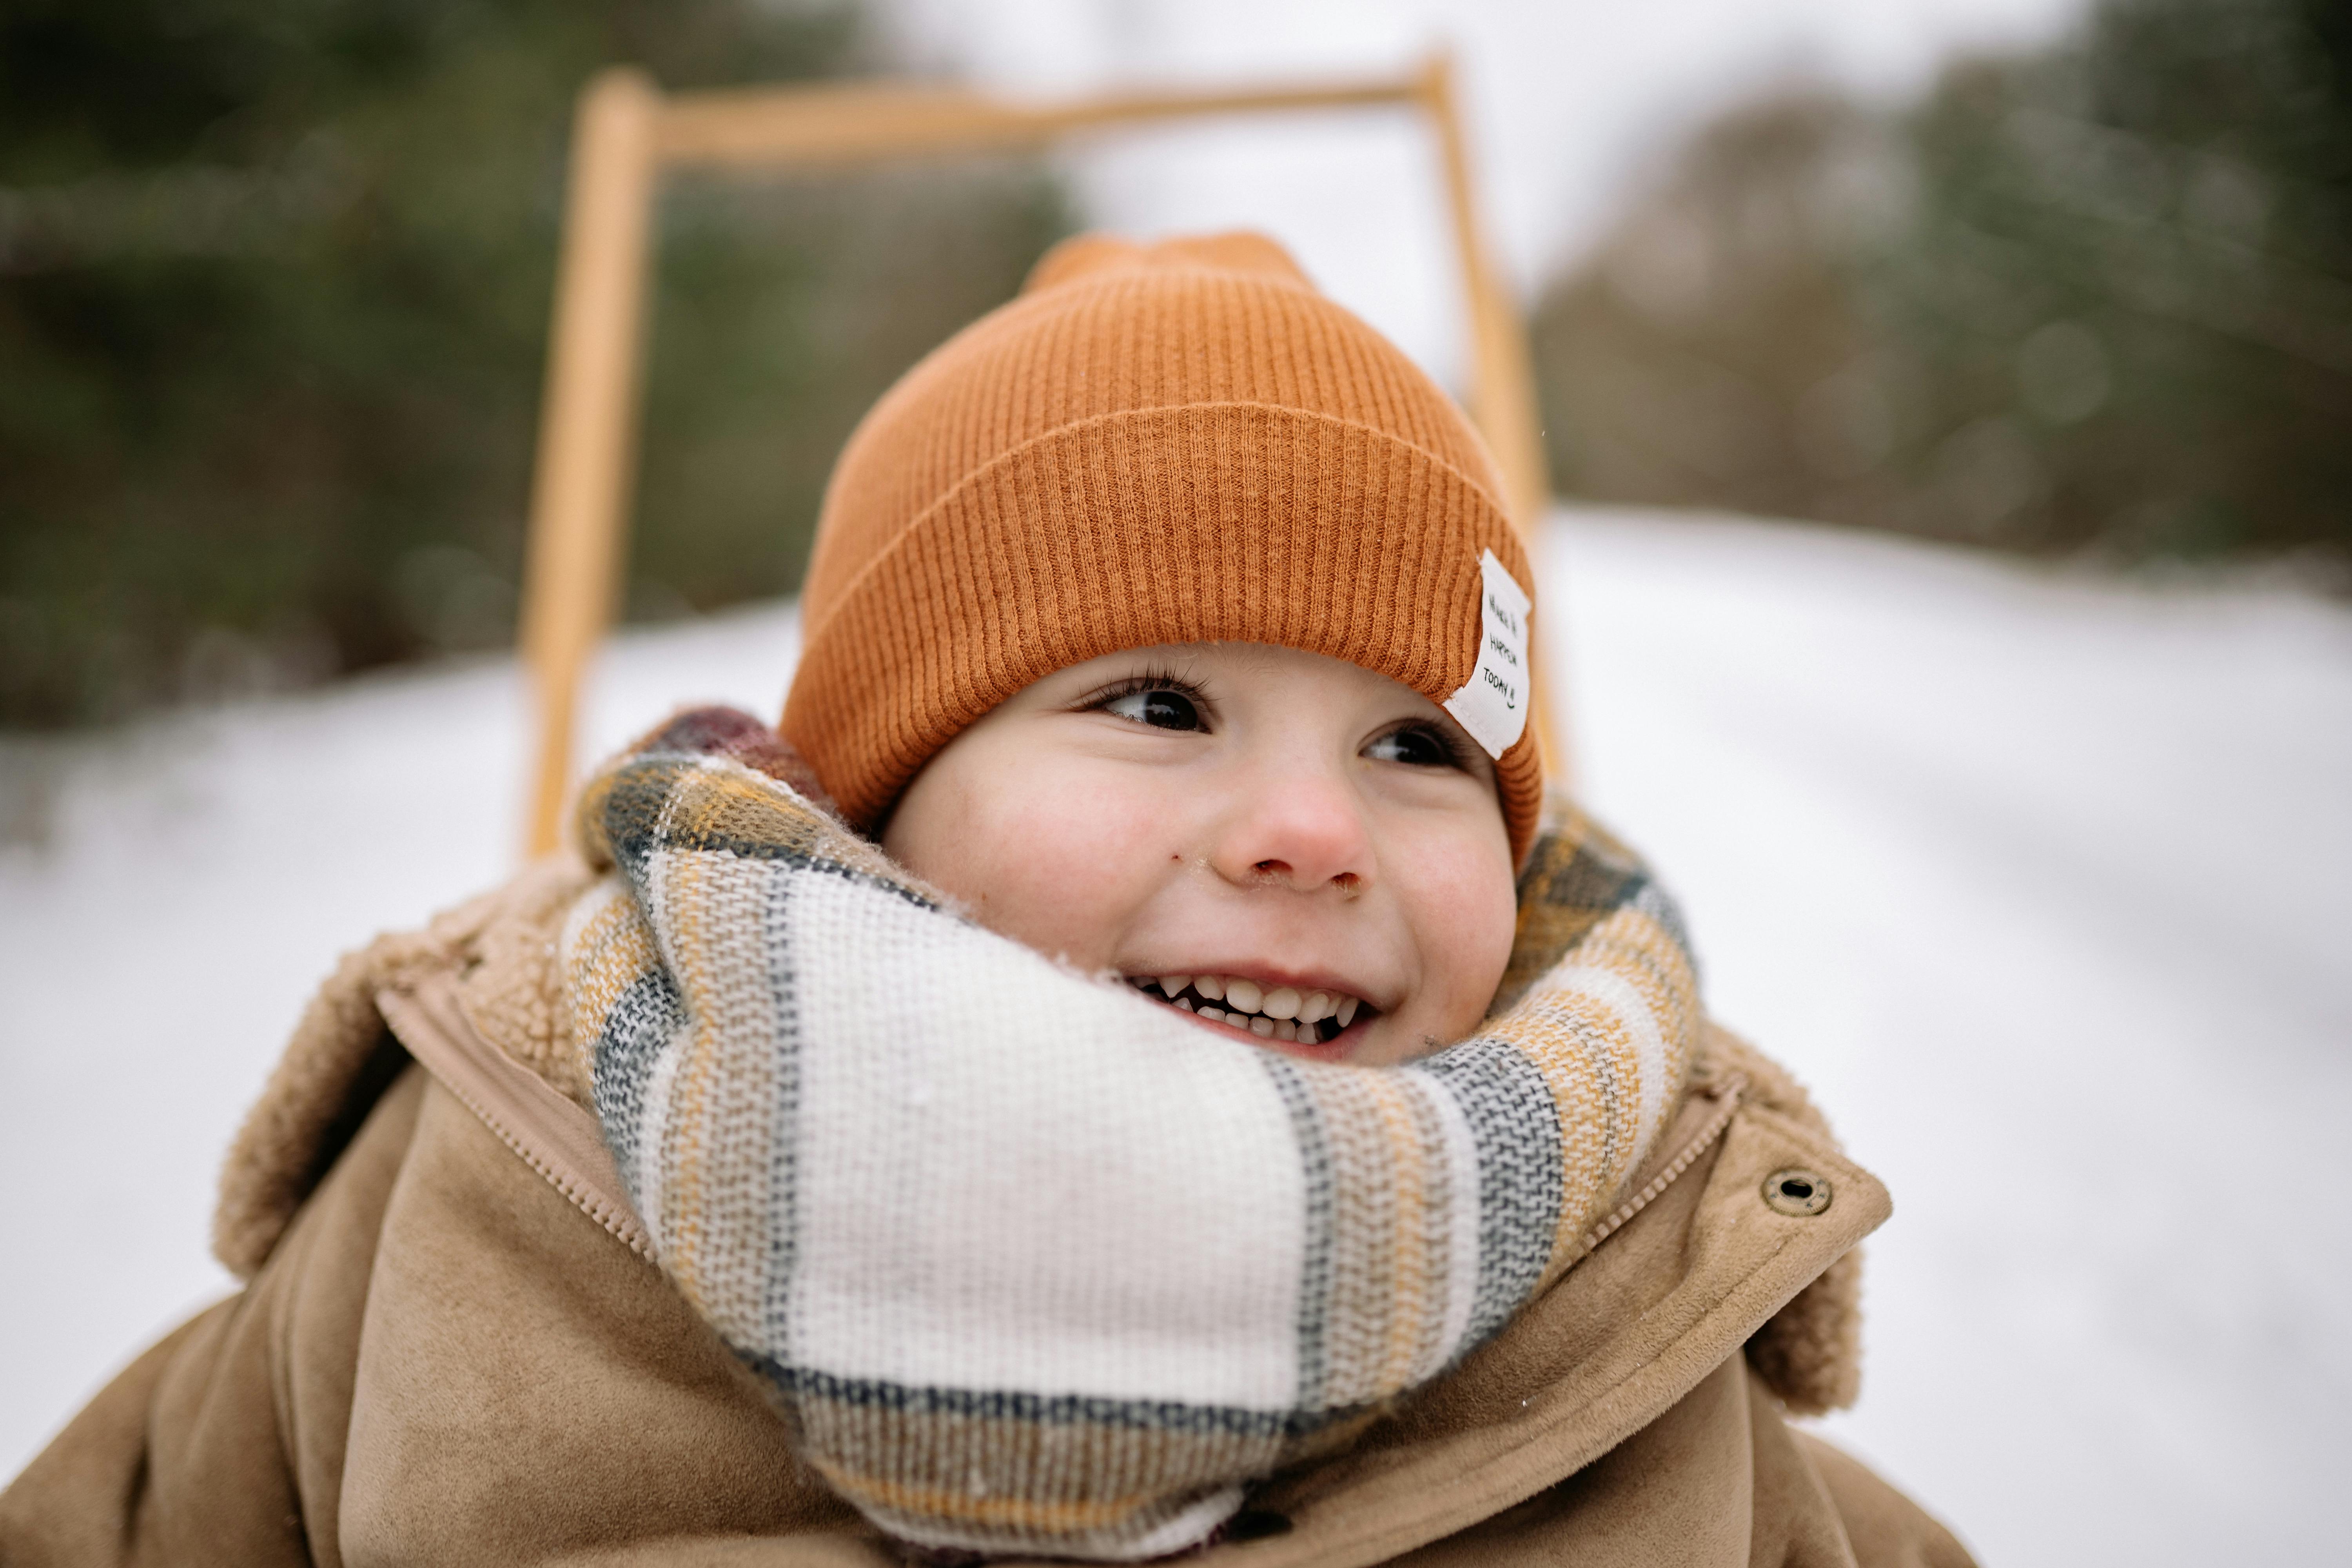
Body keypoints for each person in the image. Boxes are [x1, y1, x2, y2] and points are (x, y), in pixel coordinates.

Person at [0, 232, 1974, 1566]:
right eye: (1155, 704)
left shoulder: (1621, 1287)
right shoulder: (499, 1182)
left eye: (1419, 748)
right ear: (877, 808)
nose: (1312, 827)